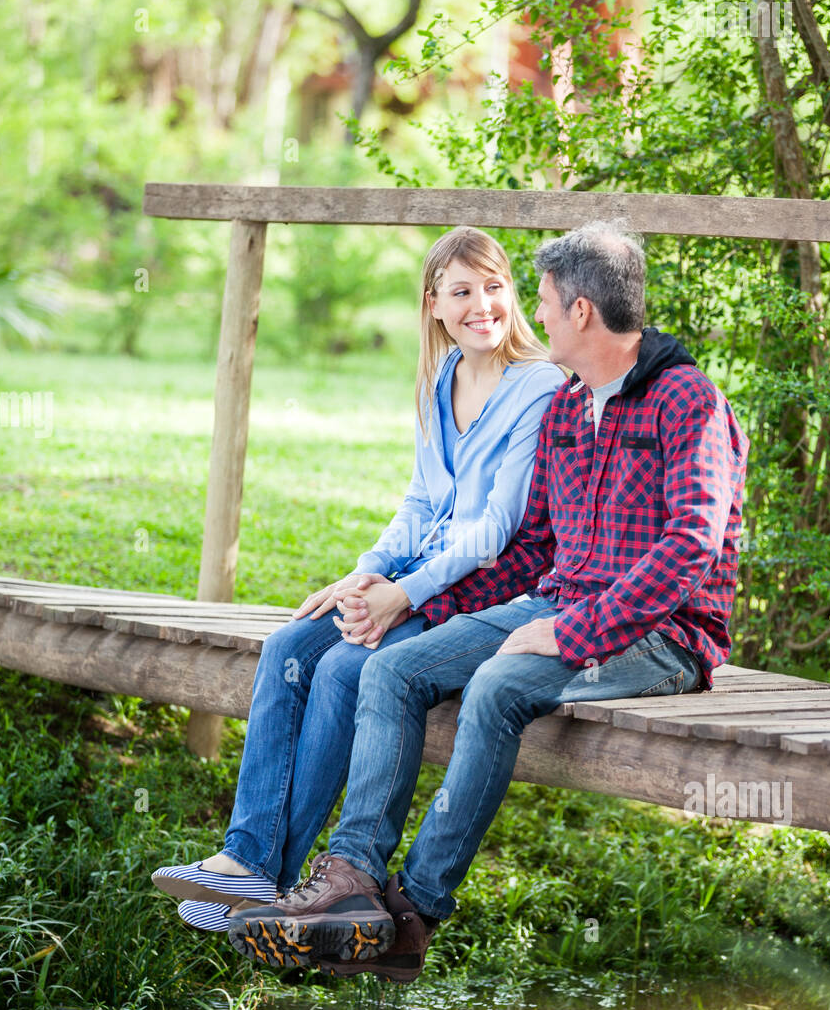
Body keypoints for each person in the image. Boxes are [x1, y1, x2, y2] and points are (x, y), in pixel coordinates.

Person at [228, 220, 750, 982]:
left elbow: (689, 549)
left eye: (539, 302)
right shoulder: (569, 410)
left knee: (499, 686)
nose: (531, 318)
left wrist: (573, 630)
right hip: (553, 604)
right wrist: (417, 604)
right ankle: (350, 879)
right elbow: (530, 548)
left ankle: (413, 913)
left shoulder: (686, 402)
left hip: (661, 635)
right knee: (393, 670)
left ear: (579, 312)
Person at [151, 226, 566, 930]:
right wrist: (363, 574)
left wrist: (401, 594)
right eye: (461, 291)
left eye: (493, 286)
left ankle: (270, 875)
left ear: (512, 294)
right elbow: (421, 502)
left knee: (344, 669)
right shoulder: (441, 381)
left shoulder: (539, 385)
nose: (481, 305)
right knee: (290, 646)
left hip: (477, 588)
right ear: (433, 303)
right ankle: (248, 861)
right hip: (412, 572)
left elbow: (492, 528)